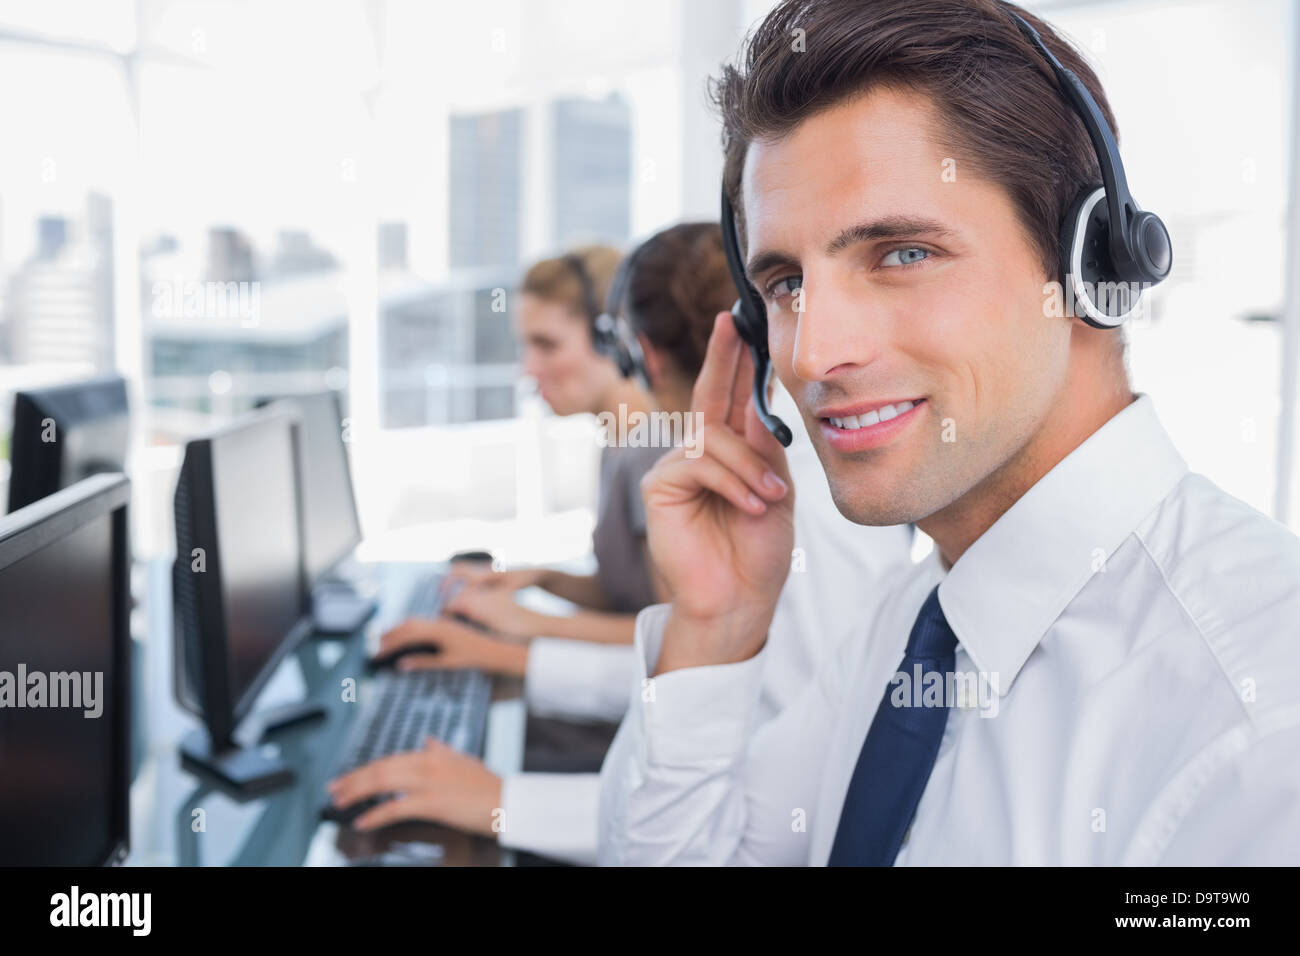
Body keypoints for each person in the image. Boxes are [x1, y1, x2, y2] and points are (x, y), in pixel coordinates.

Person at [597, 0, 1300, 865]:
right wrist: (714, 627)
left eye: (901, 254)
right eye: (783, 284)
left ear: (1091, 263)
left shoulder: (1260, 727)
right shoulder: (919, 616)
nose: (813, 352)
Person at [326, 223, 915, 858]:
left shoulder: (776, 489)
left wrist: (502, 795)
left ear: (637, 352)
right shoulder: (763, 466)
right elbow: (693, 695)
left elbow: (744, 790)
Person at [441, 243, 662, 645]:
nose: (528, 368)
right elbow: (628, 595)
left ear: (611, 338)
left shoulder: (654, 449)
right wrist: (539, 578)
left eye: (546, 345)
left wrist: (528, 623)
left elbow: (675, 629)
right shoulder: (619, 439)